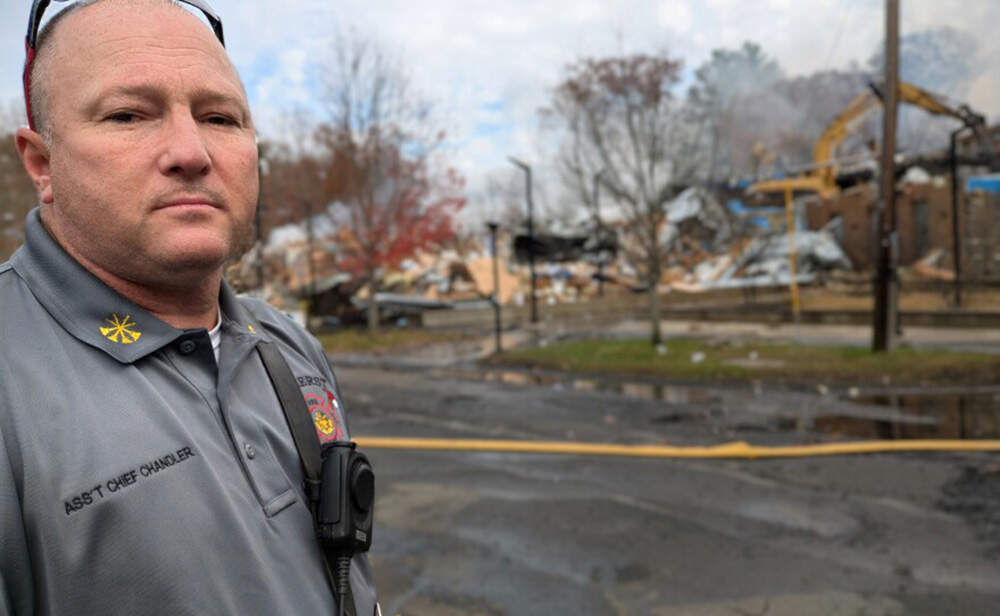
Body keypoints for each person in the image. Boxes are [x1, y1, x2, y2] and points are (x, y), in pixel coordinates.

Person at [0, 0, 378, 613]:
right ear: (43, 164)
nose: (191, 151)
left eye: (220, 118)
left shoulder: (286, 342)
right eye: (128, 115)